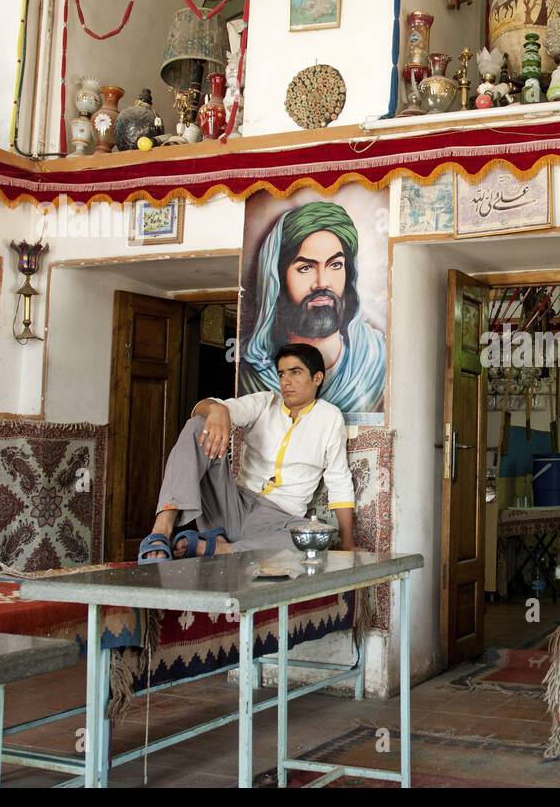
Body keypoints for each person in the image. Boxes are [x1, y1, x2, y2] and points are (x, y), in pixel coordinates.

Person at [138, 343, 355, 562]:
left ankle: (217, 548)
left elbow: (339, 479)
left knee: (318, 540)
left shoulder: (330, 418)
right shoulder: (265, 402)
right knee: (196, 426)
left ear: (317, 378)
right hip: (232, 505)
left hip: (277, 520)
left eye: (295, 372)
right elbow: (201, 408)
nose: (285, 382)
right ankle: (161, 530)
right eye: (281, 374)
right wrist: (217, 408)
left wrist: (348, 544)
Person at [239, 201, 385, 417]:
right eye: (306, 267)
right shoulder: (254, 372)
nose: (322, 282)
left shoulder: (376, 357)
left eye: (335, 265)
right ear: (277, 279)